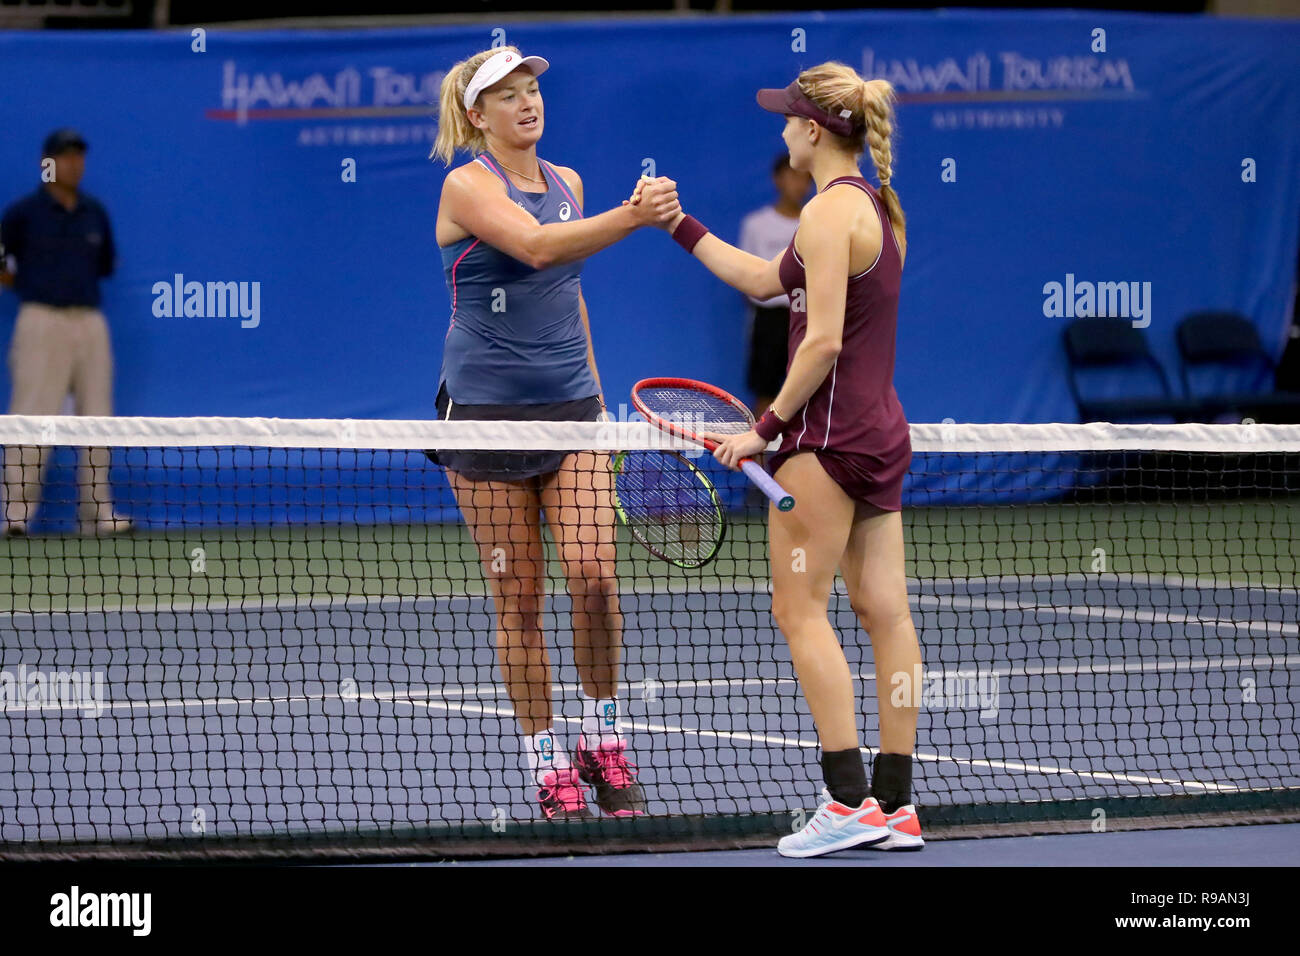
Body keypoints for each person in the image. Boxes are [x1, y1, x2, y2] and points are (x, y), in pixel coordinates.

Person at [634, 63, 924, 856]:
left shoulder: (830, 214)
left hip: (823, 443)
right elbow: (767, 281)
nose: (779, 131)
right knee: (885, 613)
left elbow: (824, 339)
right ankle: (896, 807)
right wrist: (681, 226)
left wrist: (765, 427)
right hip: (878, 437)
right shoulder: (876, 210)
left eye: (787, 119)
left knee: (799, 610)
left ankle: (847, 802)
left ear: (813, 129)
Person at [429, 46, 681, 819]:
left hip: (573, 412)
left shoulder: (568, 184)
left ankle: (602, 740)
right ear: (478, 116)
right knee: (518, 598)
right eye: (505, 96)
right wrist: (635, 217)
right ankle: (547, 763)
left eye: (531, 89)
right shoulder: (465, 186)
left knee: (595, 580)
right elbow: (537, 248)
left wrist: (597, 400)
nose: (526, 103)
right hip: (484, 420)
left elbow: (567, 293)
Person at [0, 128, 132, 538]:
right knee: (31, 417)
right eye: (66, 156)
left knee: (97, 417)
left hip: (89, 323)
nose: (75, 164)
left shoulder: (95, 212)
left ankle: (97, 515)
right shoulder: (23, 214)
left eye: (79, 156)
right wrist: (33, 288)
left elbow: (106, 264)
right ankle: (16, 515)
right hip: (42, 321)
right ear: (47, 163)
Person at [738, 155, 812, 419]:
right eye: (792, 176)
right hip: (768, 322)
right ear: (777, 180)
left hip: (809, 320)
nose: (799, 184)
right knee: (766, 393)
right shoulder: (756, 225)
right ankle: (757, 459)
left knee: (809, 393)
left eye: (804, 177)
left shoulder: (816, 223)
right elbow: (747, 276)